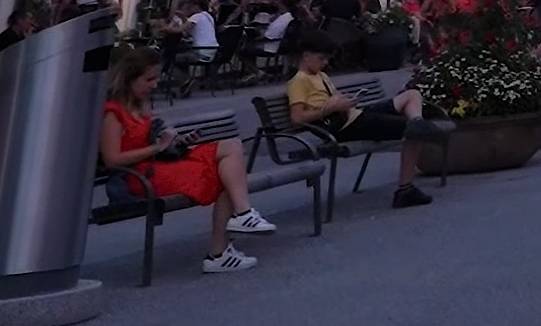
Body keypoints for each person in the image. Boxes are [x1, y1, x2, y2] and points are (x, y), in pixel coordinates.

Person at [99, 54, 276, 274]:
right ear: (129, 79)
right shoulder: (113, 112)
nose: (154, 85)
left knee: (231, 149)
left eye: (156, 79)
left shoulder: (139, 105)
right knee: (225, 175)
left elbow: (149, 142)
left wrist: (176, 142)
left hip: (155, 166)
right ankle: (221, 249)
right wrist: (158, 147)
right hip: (138, 177)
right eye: (149, 79)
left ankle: (241, 216)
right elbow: (113, 159)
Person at [284, 31, 444, 208]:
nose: (325, 63)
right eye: (321, 58)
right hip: (346, 127)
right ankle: (405, 190)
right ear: (306, 56)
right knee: (412, 133)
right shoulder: (298, 82)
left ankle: (417, 121)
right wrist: (328, 109)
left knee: (412, 95)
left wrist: (346, 100)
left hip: (356, 115)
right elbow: (297, 118)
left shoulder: (320, 76)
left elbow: (334, 98)